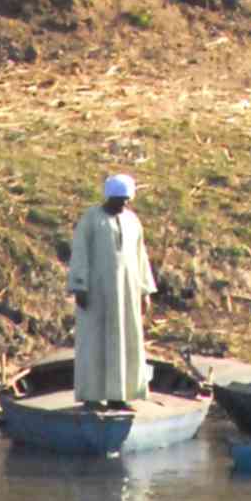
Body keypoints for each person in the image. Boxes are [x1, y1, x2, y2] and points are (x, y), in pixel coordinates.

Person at [67, 172, 155, 409]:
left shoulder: (132, 221)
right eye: (120, 199)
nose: (124, 203)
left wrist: (145, 291)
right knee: (95, 342)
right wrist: (79, 286)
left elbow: (140, 256)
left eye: (127, 199)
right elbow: (80, 253)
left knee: (125, 341)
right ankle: (93, 397)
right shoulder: (91, 219)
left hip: (127, 293)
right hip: (97, 293)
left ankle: (119, 396)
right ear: (109, 197)